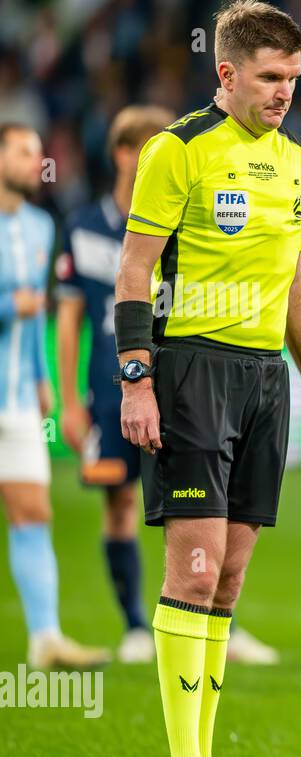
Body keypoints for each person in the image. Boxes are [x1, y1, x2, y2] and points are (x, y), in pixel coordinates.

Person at [113, 1, 301, 757]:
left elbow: (293, 280)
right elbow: (135, 270)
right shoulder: (176, 151)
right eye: (272, 77)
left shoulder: (299, 162)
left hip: (262, 381)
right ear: (228, 74)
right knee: (195, 568)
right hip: (190, 372)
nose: (284, 92)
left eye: (293, 79)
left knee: (231, 577)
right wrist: (136, 380)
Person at [57, 105, 281, 667]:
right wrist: (67, 399)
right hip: (113, 387)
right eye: (139, 148)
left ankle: (212, 620)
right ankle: (136, 623)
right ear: (121, 154)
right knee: (119, 505)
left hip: (179, 380)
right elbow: (69, 319)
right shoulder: (85, 227)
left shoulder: (185, 209)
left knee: (206, 511)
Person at [0, 120, 109, 671]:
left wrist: (43, 377)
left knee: (33, 512)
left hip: (17, 399)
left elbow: (35, 311)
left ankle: (45, 639)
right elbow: (16, 306)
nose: (34, 164)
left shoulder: (44, 227)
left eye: (38, 154)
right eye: (22, 153)